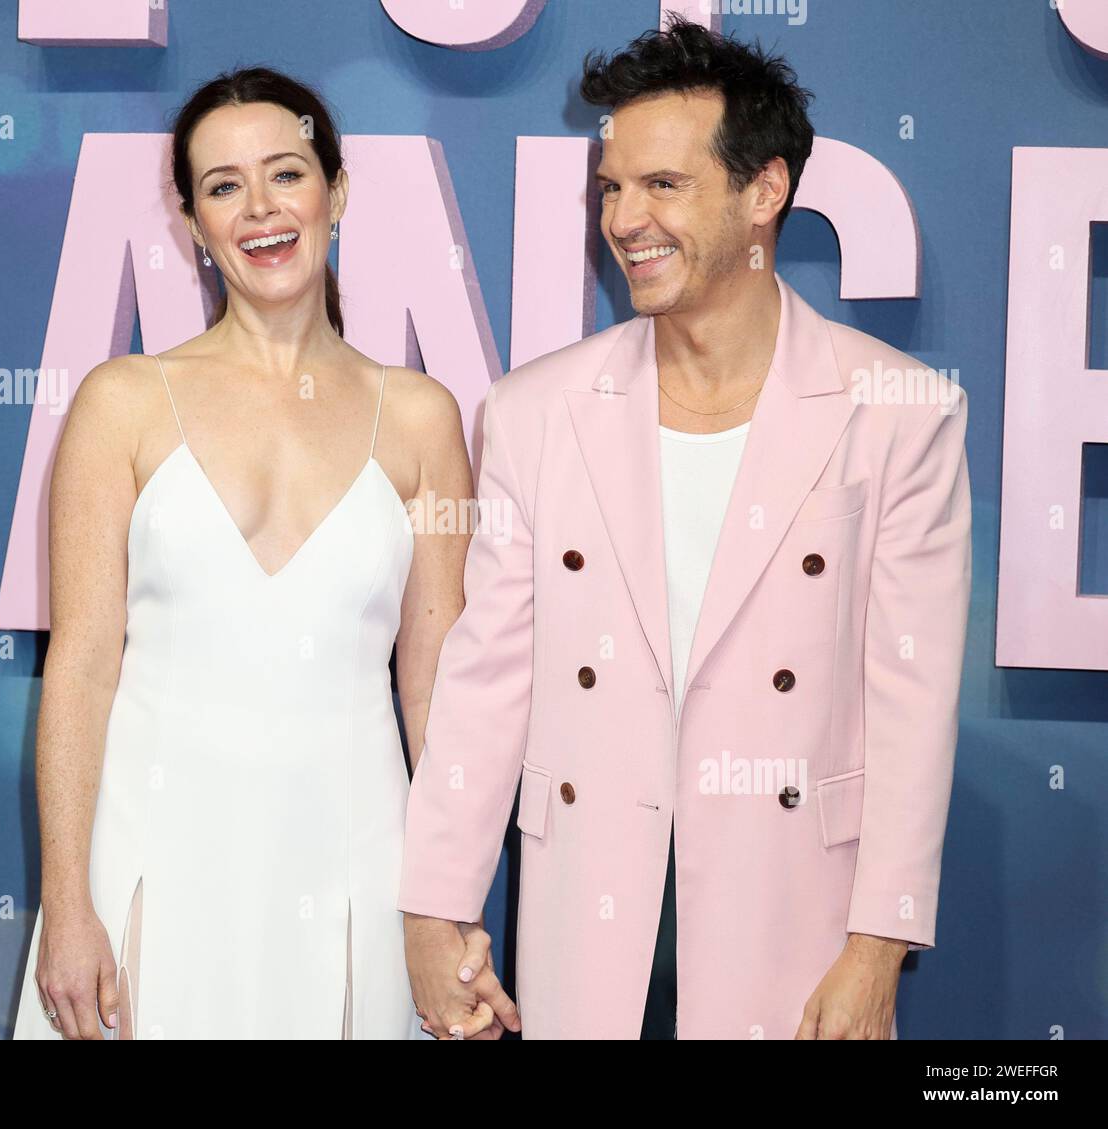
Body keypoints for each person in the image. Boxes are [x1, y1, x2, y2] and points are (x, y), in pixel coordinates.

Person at [399, 15, 971, 1040]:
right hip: (589, 900)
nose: (624, 219)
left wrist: (879, 944)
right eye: (612, 187)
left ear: (764, 192)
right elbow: (487, 680)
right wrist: (436, 907)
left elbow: (910, 702)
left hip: (795, 912)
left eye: (662, 186)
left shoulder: (896, 409)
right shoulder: (536, 411)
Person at [11, 66, 470, 1039]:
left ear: (335, 191)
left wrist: (448, 906)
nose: (260, 209)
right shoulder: (121, 401)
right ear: (193, 223)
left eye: (285, 174)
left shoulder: (424, 419)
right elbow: (81, 670)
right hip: (150, 861)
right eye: (223, 186)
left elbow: (435, 693)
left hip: (355, 866)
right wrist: (67, 904)